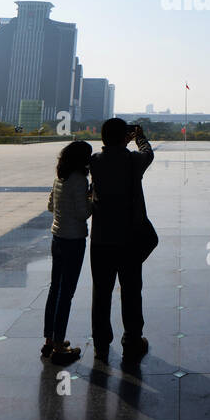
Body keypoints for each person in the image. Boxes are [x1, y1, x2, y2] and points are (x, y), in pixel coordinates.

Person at [88, 118, 154, 364]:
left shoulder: (95, 161)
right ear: (124, 136)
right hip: (129, 238)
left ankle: (101, 346)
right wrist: (139, 137)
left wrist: (120, 141)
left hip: (101, 239)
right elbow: (148, 153)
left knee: (101, 294)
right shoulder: (132, 160)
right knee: (131, 291)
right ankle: (132, 341)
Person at [42, 140, 93, 364]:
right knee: (66, 293)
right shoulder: (80, 179)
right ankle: (60, 347)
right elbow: (84, 214)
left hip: (57, 236)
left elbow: (51, 206)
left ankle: (49, 340)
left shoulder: (59, 177)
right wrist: (92, 198)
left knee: (55, 289)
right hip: (74, 240)